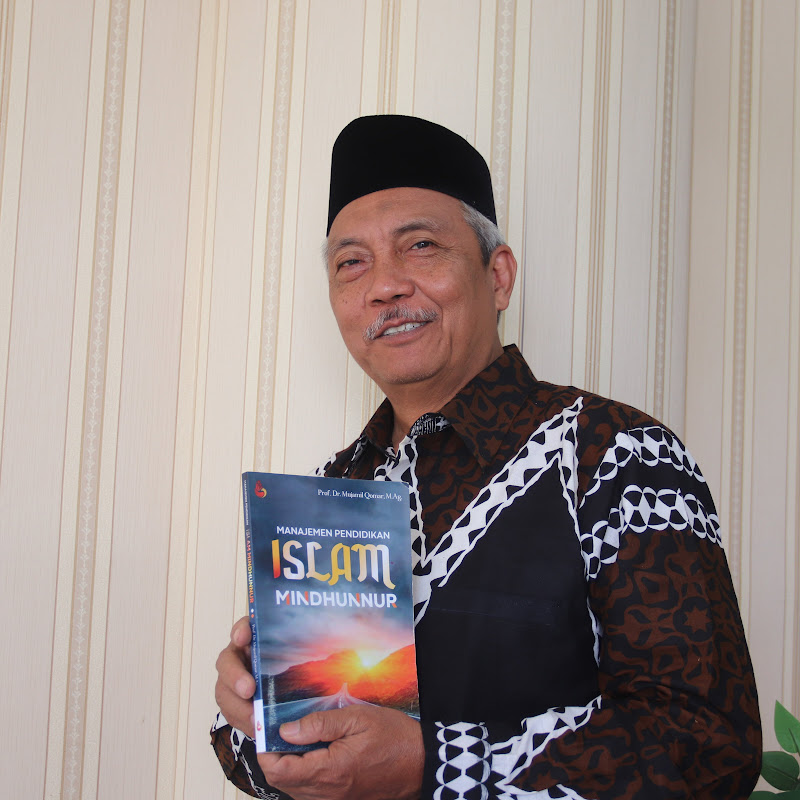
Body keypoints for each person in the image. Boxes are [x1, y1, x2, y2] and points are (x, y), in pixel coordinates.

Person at [212, 115, 761, 800]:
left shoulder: (614, 454)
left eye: (420, 246)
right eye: (352, 263)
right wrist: (253, 717)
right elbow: (305, 757)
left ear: (498, 277)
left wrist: (433, 765)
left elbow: (709, 746)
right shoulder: (330, 490)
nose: (384, 286)